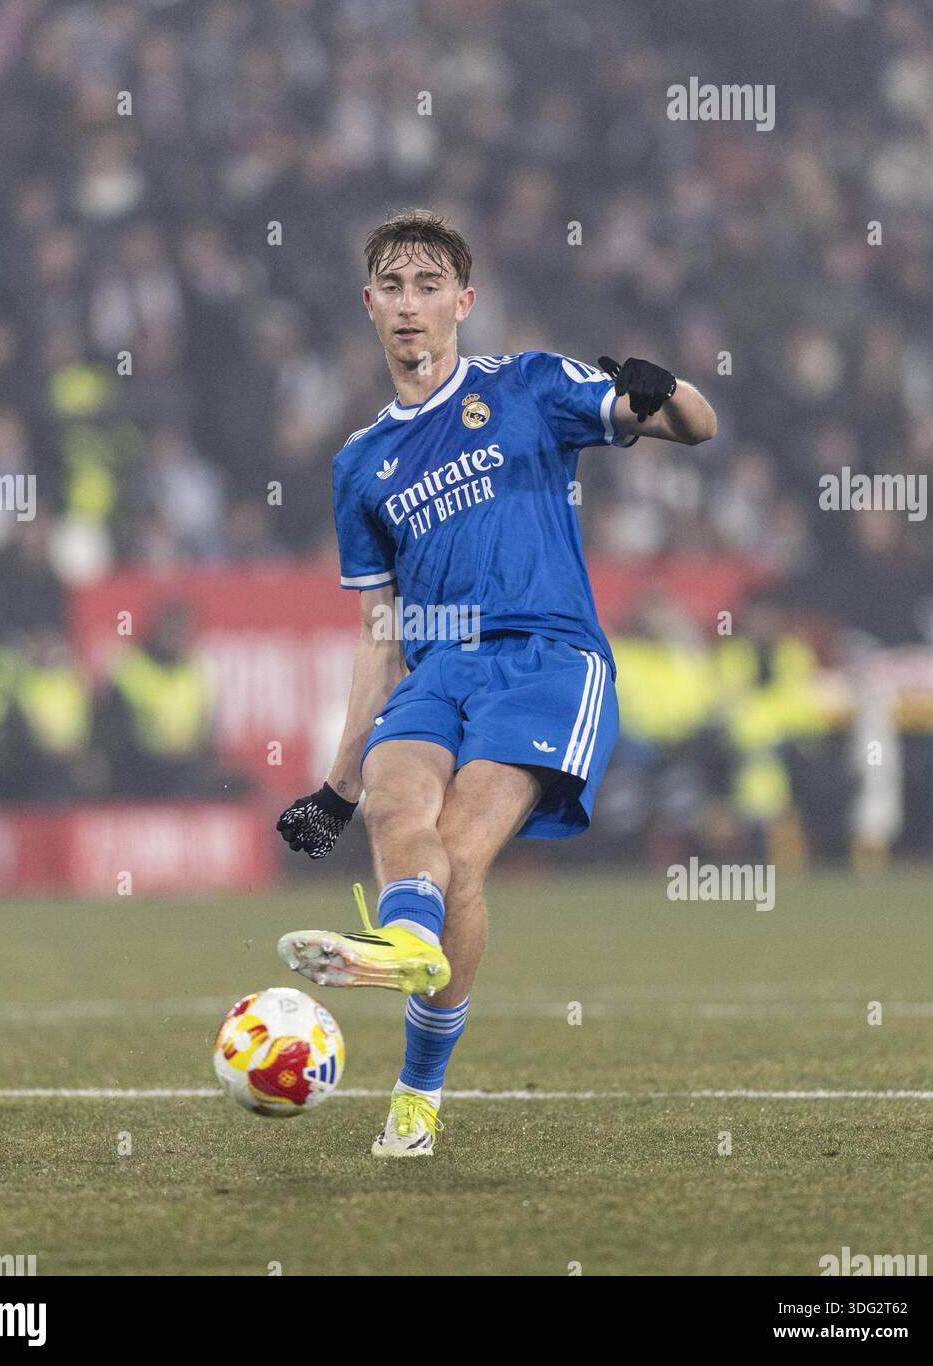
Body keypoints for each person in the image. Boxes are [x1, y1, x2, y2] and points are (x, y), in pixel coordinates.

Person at [275, 209, 716, 1157]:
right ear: (367, 305)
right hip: (436, 671)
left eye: (429, 286)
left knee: (459, 857)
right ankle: (401, 945)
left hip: (547, 659)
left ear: (463, 303)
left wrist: (663, 386)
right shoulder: (359, 465)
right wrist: (334, 785)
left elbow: (697, 427)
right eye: (391, 287)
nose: (409, 305)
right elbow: (375, 632)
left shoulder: (526, 386)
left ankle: (416, 1094)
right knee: (395, 814)